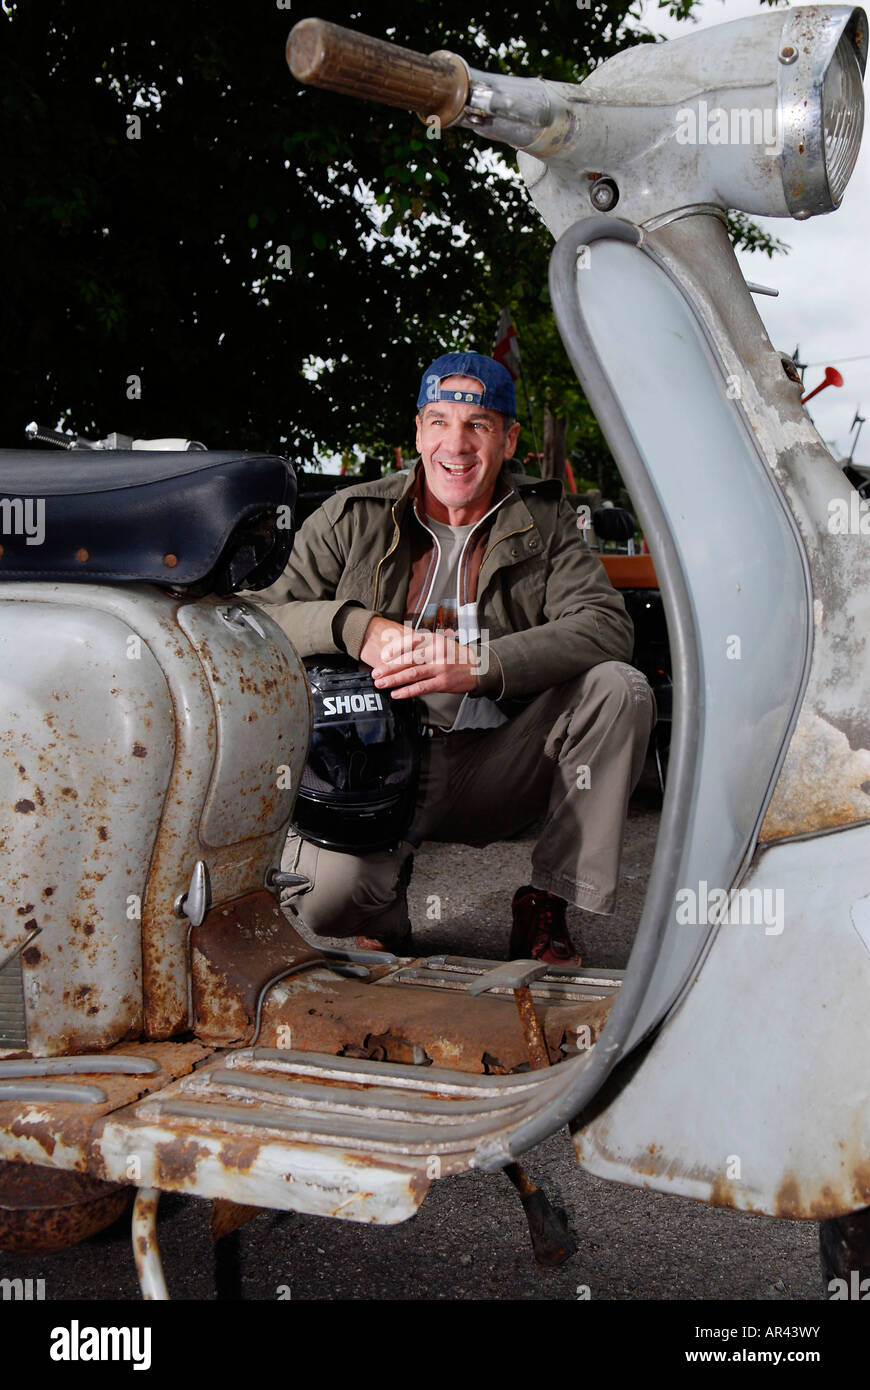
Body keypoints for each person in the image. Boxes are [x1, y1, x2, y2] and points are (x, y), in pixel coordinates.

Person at [255, 351, 655, 964]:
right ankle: (383, 899)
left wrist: (484, 665)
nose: (457, 444)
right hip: (379, 766)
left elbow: (605, 626)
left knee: (619, 688)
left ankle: (546, 901)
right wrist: (355, 627)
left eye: (479, 424)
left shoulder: (545, 521)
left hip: (498, 763)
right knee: (323, 905)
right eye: (439, 421)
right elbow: (253, 617)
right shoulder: (350, 516)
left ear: (509, 438)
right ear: (418, 432)